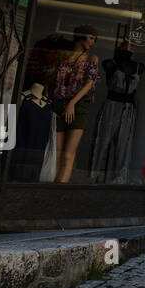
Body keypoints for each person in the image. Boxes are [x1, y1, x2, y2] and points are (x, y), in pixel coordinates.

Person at [54, 25, 101, 183]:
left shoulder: (91, 59)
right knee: (57, 153)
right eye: (90, 37)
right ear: (80, 36)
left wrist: (73, 103)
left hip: (78, 106)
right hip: (59, 104)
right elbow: (53, 80)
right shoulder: (62, 56)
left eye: (94, 39)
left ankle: (59, 191)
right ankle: (51, 188)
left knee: (68, 155)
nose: (92, 42)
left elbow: (89, 83)